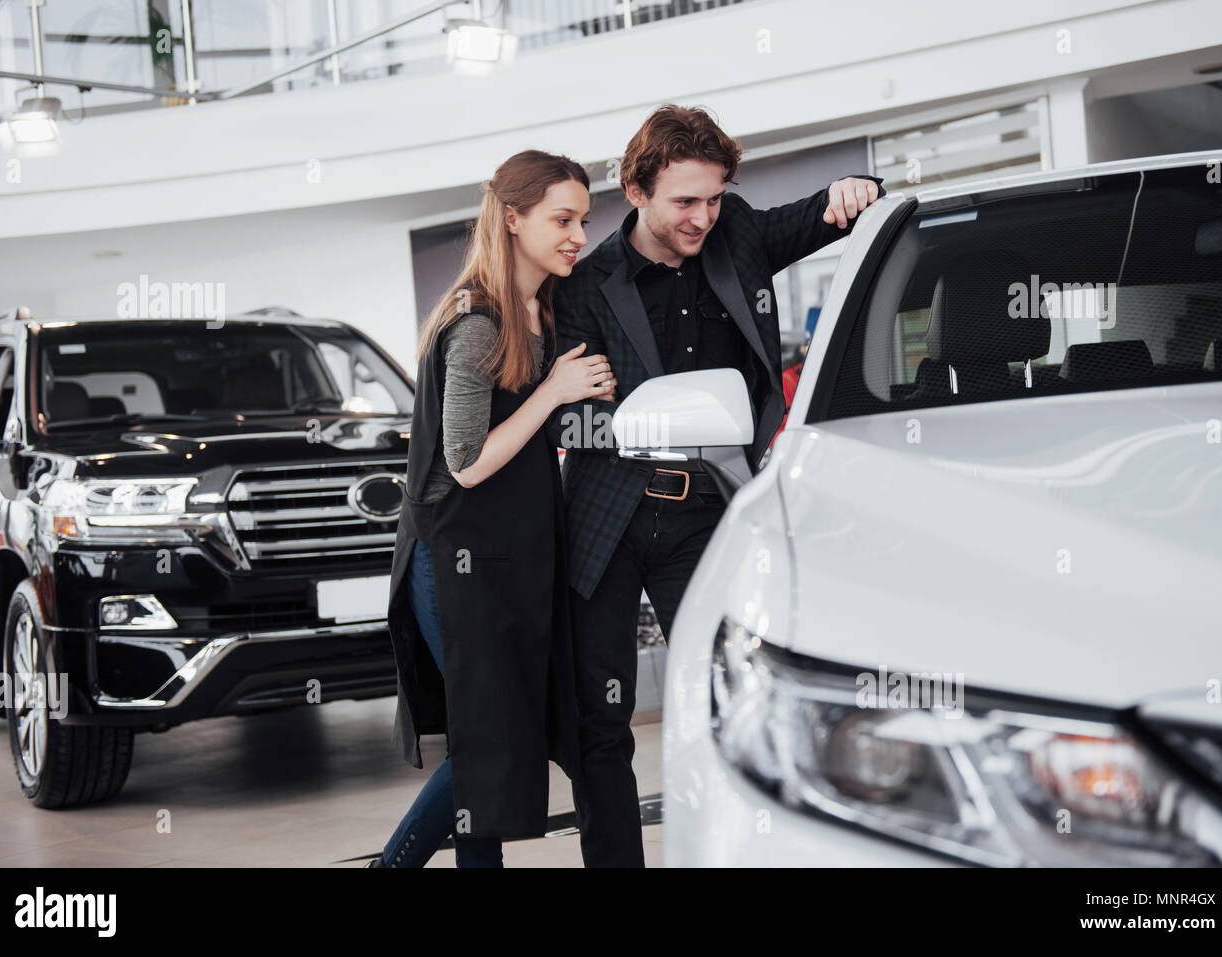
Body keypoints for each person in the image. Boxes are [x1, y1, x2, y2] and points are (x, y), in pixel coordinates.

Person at [550, 104, 886, 867]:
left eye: (714, 196)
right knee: (599, 723)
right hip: (607, 515)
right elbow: (566, 427)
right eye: (684, 202)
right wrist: (637, 426)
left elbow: (839, 208)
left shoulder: (739, 234)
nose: (703, 216)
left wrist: (856, 187)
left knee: (732, 701)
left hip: (708, 511)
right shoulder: (587, 283)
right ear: (636, 191)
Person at [376, 149, 615, 867]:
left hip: (502, 559)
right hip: (456, 564)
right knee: (490, 744)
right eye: (562, 218)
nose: (577, 234)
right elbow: (467, 460)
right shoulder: (479, 320)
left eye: (583, 219)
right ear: (513, 219)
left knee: (496, 738)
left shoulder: (537, 309)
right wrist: (555, 392)